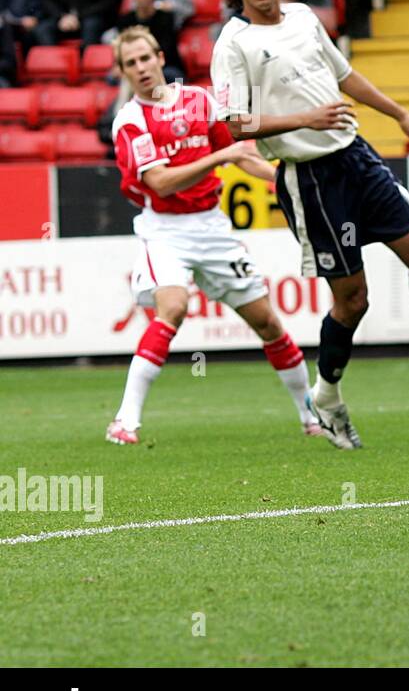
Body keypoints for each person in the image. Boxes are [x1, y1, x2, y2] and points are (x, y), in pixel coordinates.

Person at [209, 0, 409, 448]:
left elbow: (345, 76)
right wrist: (305, 118)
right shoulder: (233, 43)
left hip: (357, 157)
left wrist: (402, 114)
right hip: (310, 179)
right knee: (353, 301)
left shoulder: (302, 18)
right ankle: (327, 398)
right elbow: (232, 125)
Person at [104, 26, 338, 448]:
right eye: (130, 63)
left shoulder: (200, 101)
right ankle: (125, 421)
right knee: (172, 308)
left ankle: (309, 415)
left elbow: (242, 155)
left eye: (145, 58)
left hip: (211, 226)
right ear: (122, 71)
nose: (140, 68)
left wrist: (284, 183)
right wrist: (222, 155)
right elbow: (160, 182)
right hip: (165, 230)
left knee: (267, 322)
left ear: (160, 57)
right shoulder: (130, 120)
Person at [113, 0, 185, 81]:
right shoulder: (125, 20)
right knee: (112, 77)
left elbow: (167, 51)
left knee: (174, 77)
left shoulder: (166, 18)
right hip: (134, 67)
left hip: (166, 66)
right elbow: (122, 49)